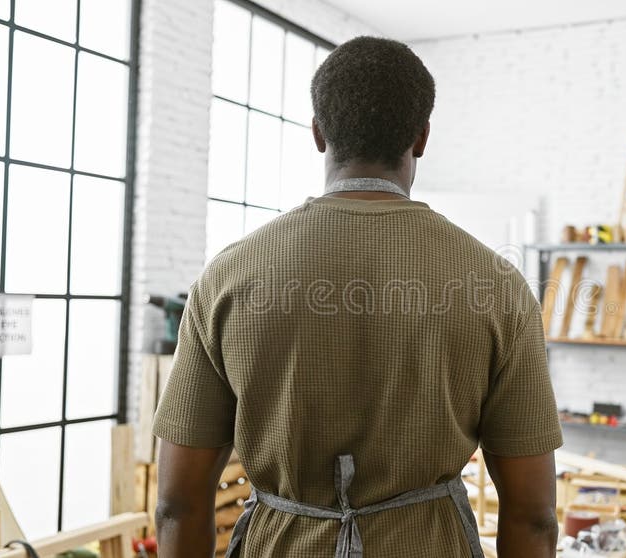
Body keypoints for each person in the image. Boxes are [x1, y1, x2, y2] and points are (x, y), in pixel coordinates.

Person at [153, 36, 562, 557]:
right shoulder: (495, 284)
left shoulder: (229, 277)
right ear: (421, 137)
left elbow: (177, 505)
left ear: (319, 134)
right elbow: (534, 516)